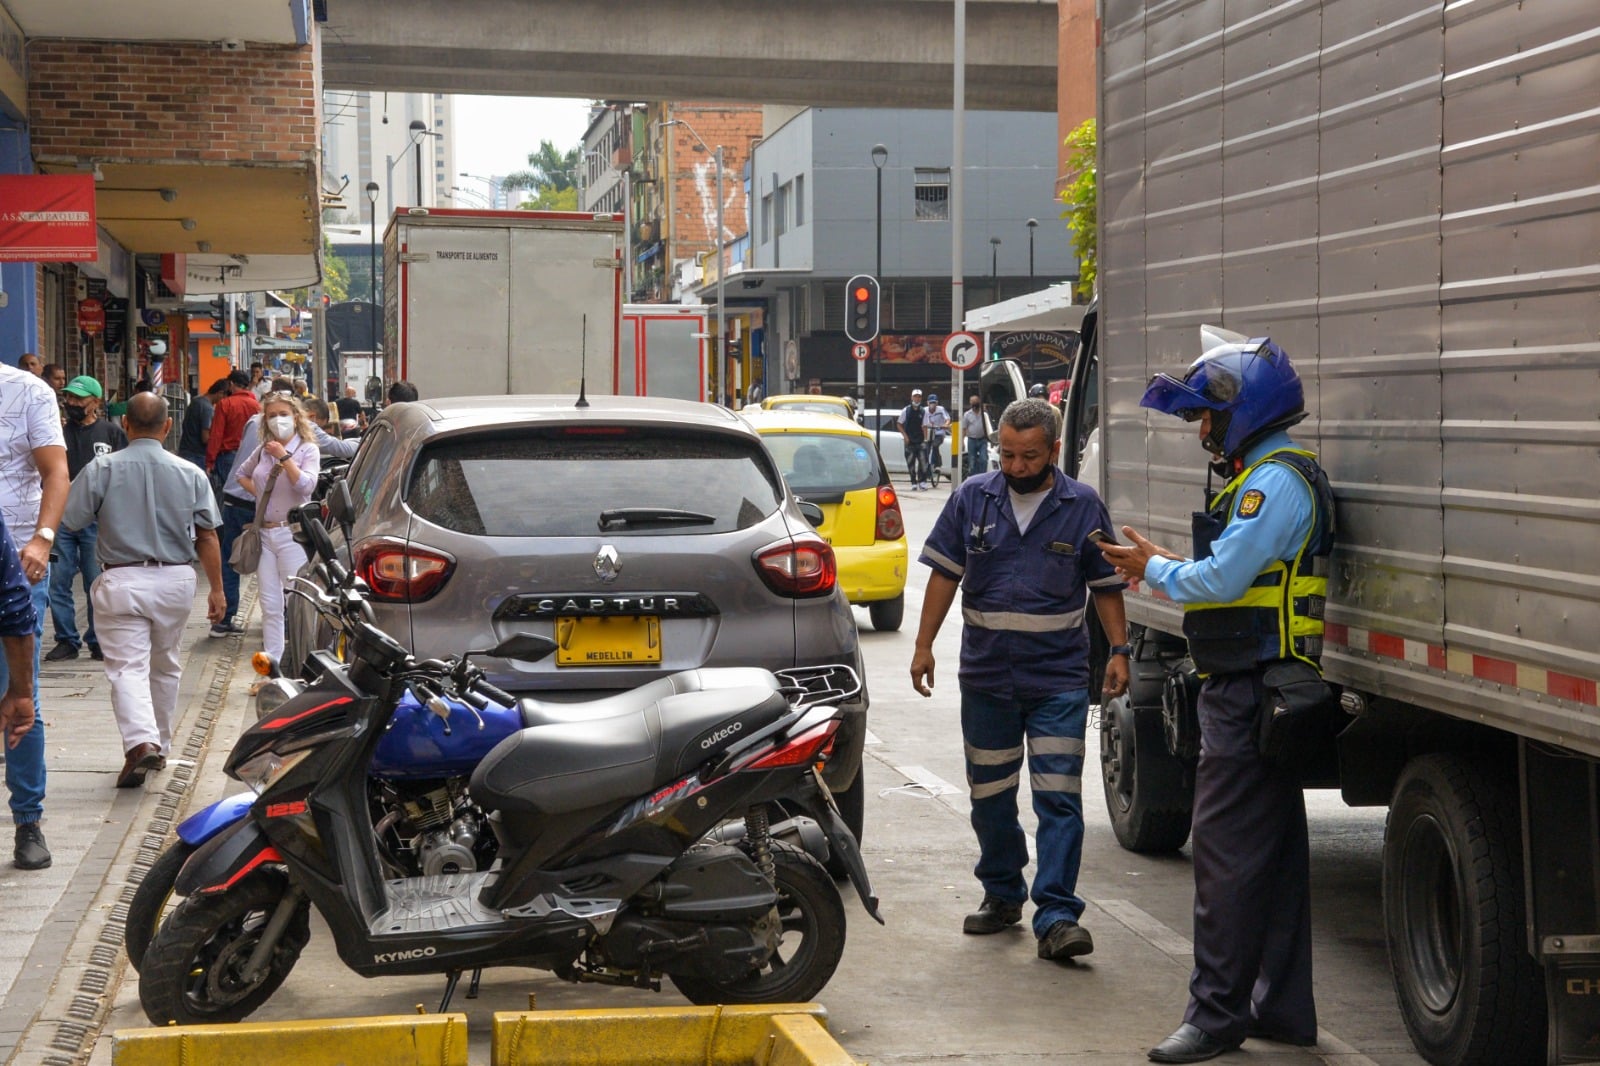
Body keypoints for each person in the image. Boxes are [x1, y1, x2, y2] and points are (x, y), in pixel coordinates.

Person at [1095, 328, 1336, 1064]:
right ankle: (1284, 1010)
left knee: (1226, 863)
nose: (1202, 428)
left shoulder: (1273, 483)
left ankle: (1215, 1016)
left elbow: (1225, 582)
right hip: (1262, 686)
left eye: (1208, 414)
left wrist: (1157, 571)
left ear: (1245, 409)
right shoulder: (1269, 476)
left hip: (1249, 690)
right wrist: (1165, 563)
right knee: (1275, 861)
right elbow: (1241, 571)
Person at [910, 397, 1130, 962]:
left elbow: (1105, 585)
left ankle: (1056, 914)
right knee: (990, 796)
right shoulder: (971, 498)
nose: (1015, 466)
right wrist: (922, 644)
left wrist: (1120, 651)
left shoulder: (1082, 506)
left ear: (1054, 451)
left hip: (1057, 677)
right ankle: (1002, 892)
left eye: (1028, 456)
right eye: (1006, 454)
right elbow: (944, 575)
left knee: (1058, 798)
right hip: (986, 677)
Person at [62, 393, 225, 788]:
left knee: (127, 668)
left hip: (122, 578)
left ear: (126, 427)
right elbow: (207, 536)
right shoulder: (191, 473)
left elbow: (72, 518)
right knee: (166, 663)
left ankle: (141, 742)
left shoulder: (101, 468)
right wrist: (217, 591)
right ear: (168, 426)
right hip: (175, 580)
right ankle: (160, 746)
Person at [0, 356, 68, 869]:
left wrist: (42, 540)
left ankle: (28, 820)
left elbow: (55, 471)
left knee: (22, 690)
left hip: (19, 566)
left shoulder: (27, 392)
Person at [233, 392, 319, 678]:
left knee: (297, 603)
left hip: (292, 535)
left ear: (295, 416)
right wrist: (263, 496)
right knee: (270, 605)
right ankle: (271, 671)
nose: (277, 420)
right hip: (264, 536)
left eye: (283, 414)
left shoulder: (307, 449)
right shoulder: (261, 450)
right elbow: (241, 475)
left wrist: (284, 457)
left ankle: (302, 667)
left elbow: (306, 486)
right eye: (271, 415)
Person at [45, 376, 126, 663]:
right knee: (58, 582)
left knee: (96, 582)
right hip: (62, 518)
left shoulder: (111, 434)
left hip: (97, 520)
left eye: (80, 399)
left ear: (96, 402)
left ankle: (98, 640)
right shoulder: (58, 434)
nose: (73, 404)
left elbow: (123, 476)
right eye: (70, 399)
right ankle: (66, 639)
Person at [206, 369, 260, 498]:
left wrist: (210, 461)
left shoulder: (225, 404)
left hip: (228, 456)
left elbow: (216, 434)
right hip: (250, 454)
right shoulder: (256, 405)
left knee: (225, 493)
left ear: (231, 384)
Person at [179, 378, 226, 470]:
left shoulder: (196, 400)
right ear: (220, 393)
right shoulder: (207, 408)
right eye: (225, 396)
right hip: (197, 456)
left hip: (185, 451)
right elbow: (205, 438)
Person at [900, 388, 927, 490]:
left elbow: (924, 425)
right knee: (910, 462)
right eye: (915, 396)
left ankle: (923, 481)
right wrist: (905, 436)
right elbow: (899, 424)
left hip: (920, 440)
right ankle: (913, 482)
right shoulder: (906, 410)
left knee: (923, 461)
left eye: (919, 396)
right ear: (912, 397)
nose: (917, 398)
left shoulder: (923, 411)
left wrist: (925, 439)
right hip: (909, 441)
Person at [925, 393, 951, 484]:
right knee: (926, 450)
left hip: (939, 433)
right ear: (927, 403)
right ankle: (927, 470)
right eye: (931, 402)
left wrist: (945, 424)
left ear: (937, 403)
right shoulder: (924, 411)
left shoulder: (941, 409)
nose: (932, 405)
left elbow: (947, 419)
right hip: (928, 432)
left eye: (934, 402)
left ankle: (937, 464)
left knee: (935, 446)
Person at [961, 394, 988, 478]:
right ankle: (974, 478)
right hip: (972, 440)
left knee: (983, 459)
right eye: (972, 401)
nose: (974, 403)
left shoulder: (984, 413)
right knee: (972, 462)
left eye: (976, 401)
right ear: (970, 403)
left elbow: (988, 425)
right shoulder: (967, 414)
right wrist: (962, 441)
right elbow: (964, 428)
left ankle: (982, 477)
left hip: (982, 439)